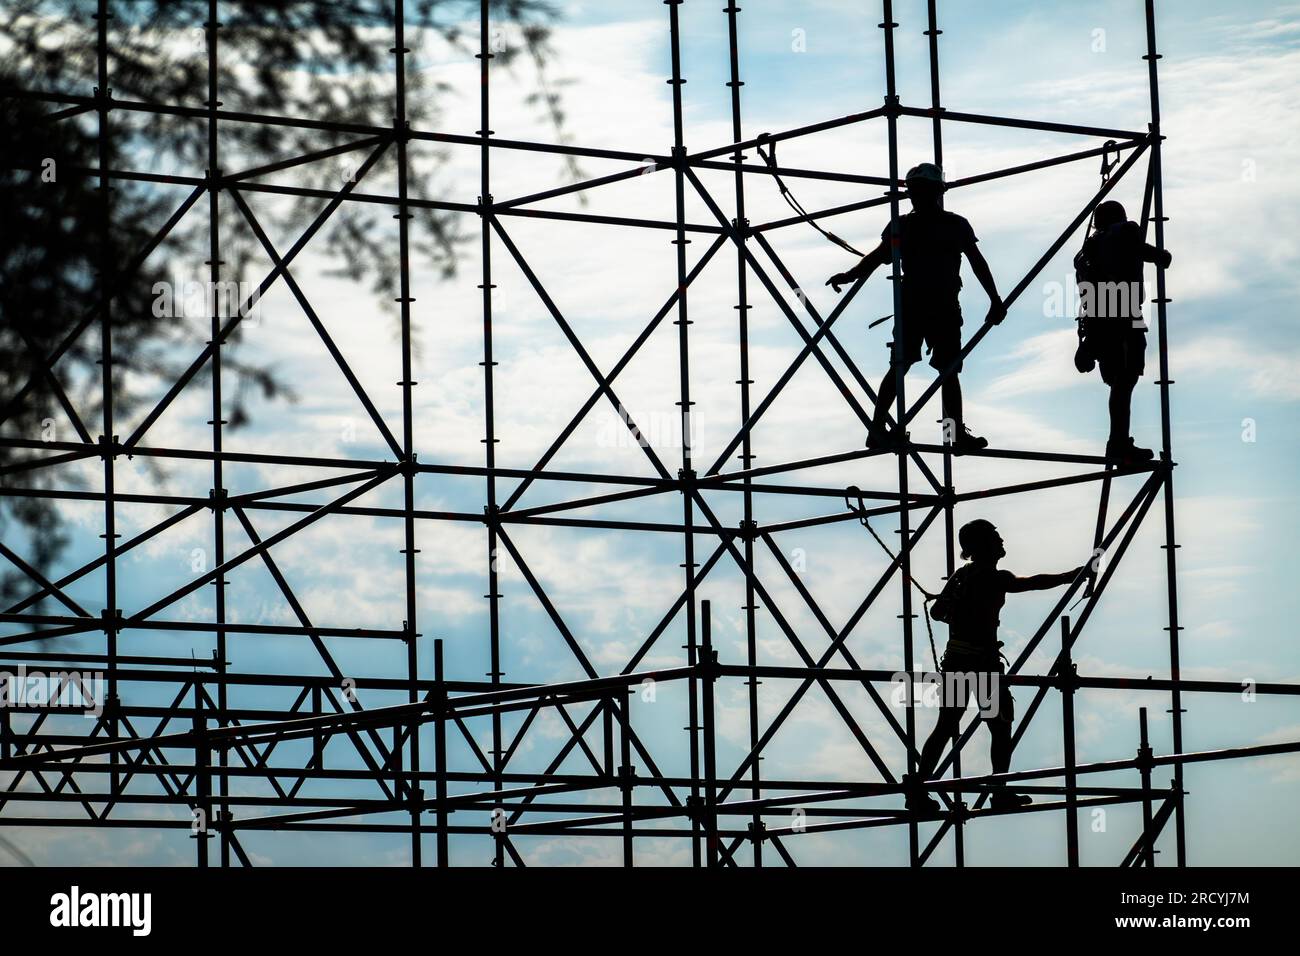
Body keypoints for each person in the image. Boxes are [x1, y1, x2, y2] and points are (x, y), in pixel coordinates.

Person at [826, 163, 1006, 454]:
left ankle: (951, 433)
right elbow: (878, 256)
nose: (916, 197)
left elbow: (977, 262)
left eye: (920, 191)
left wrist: (995, 299)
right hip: (921, 305)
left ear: (935, 192)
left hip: (937, 305)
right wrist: (849, 275)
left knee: (939, 370)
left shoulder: (944, 225)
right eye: (914, 192)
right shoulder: (913, 225)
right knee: (911, 366)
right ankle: (884, 431)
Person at [906, 519, 1083, 813]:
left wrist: (959, 613)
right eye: (995, 537)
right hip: (981, 663)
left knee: (947, 724)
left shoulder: (960, 577)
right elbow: (1029, 583)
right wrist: (1071, 576)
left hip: (957, 661)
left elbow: (937, 612)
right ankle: (998, 790)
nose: (1001, 541)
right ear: (983, 545)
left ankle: (919, 790)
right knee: (999, 728)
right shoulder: (992, 577)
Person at [1074, 199, 1173, 465]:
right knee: (1125, 380)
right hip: (1124, 316)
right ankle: (1118, 443)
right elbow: (1137, 248)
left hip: (1099, 322)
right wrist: (1161, 257)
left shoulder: (1087, 250)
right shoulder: (1125, 231)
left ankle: (1118, 441)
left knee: (1119, 381)